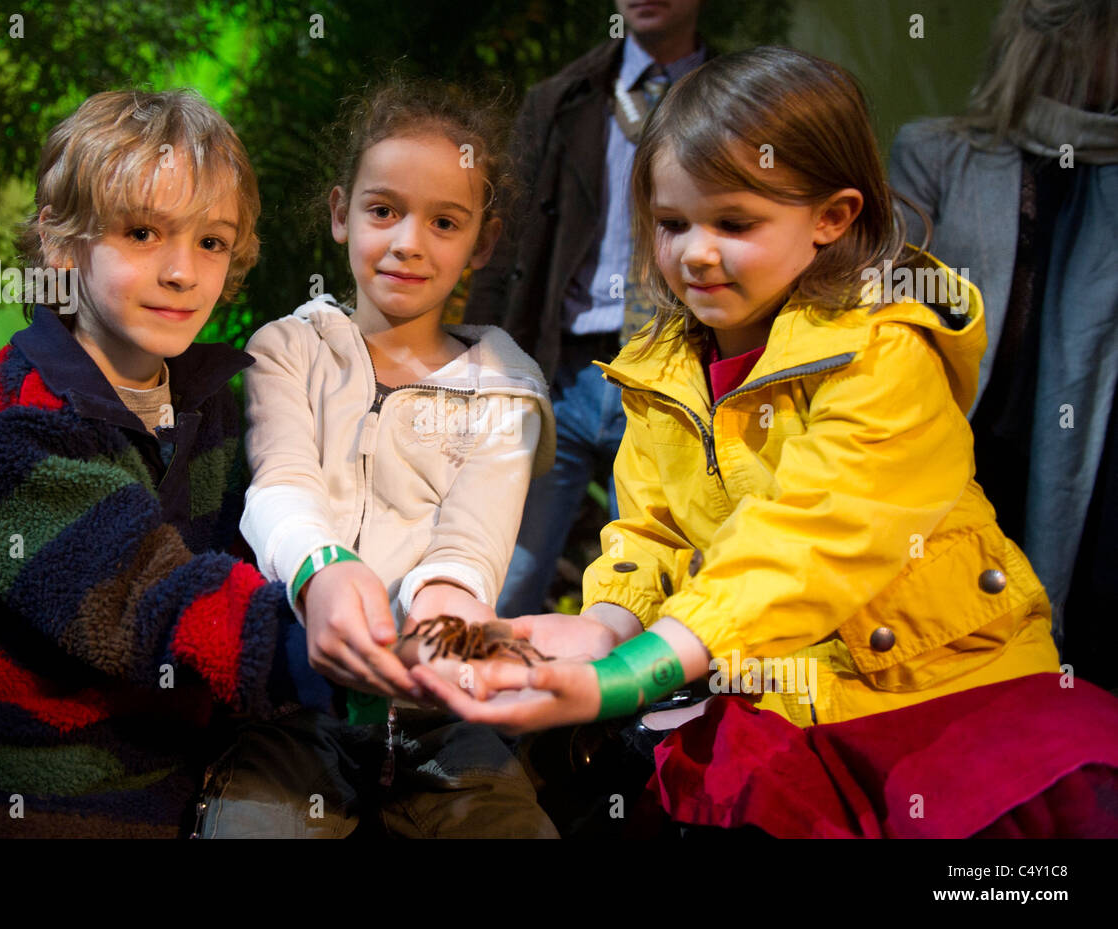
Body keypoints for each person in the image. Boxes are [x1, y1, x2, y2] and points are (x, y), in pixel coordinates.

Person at [417, 47, 1118, 838]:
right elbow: (650, 530)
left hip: (940, 689)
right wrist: (606, 621)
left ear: (833, 216)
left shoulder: (886, 350)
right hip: (774, 686)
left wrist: (631, 673)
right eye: (672, 224)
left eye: (734, 223)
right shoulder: (660, 365)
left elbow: (807, 538)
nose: (695, 252)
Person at [0, 89, 307, 838]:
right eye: (144, 232)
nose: (184, 272)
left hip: (159, 755)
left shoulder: (214, 404)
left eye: (211, 242)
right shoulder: (6, 412)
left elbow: (267, 540)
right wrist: (323, 654)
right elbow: (136, 591)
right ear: (60, 243)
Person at [199, 78, 560, 838]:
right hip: (298, 695)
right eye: (383, 210)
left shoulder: (507, 386)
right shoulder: (287, 349)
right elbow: (280, 482)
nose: (408, 243)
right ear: (341, 214)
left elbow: (473, 540)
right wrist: (322, 567)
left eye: (445, 222)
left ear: (482, 243)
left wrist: (446, 614)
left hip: (442, 715)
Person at [889, 0, 1118, 687]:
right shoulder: (935, 152)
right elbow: (881, 307)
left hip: (1091, 459)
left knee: (1067, 654)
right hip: (958, 451)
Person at [464, 0, 710, 617]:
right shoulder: (562, 98)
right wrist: (481, 356)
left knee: (670, 578)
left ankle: (645, 714)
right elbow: (509, 240)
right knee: (510, 570)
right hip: (562, 370)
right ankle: (479, 708)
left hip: (683, 370)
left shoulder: (733, 96)